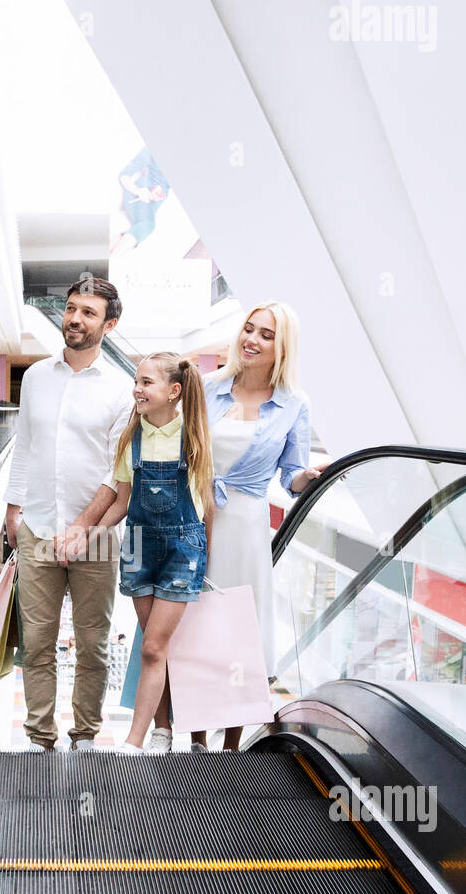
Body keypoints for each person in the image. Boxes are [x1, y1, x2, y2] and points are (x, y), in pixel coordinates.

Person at [5, 277, 133, 751]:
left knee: (93, 644)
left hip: (95, 537)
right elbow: (25, 445)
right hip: (38, 527)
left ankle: (85, 737)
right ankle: (40, 738)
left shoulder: (121, 389)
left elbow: (117, 472)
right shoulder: (36, 377)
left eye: (88, 313)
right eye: (72, 308)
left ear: (109, 325)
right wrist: (13, 508)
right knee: (36, 643)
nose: (75, 319)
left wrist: (84, 527)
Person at [190, 302, 324, 752]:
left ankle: (230, 747)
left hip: (246, 527)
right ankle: (195, 742)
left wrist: (308, 478)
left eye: (266, 335)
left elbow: (292, 476)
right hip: (197, 516)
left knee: (238, 632)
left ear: (282, 347)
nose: (252, 340)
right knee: (196, 624)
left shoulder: (295, 404)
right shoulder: (208, 387)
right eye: (249, 329)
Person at [95, 352, 214, 753]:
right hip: (138, 546)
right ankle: (162, 729)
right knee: (154, 647)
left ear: (174, 391)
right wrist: (91, 533)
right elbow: (122, 502)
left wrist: (206, 558)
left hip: (183, 549)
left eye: (146, 382)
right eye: (137, 381)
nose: (137, 389)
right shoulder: (131, 439)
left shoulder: (193, 438)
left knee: (152, 647)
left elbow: (206, 505)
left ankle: (135, 740)